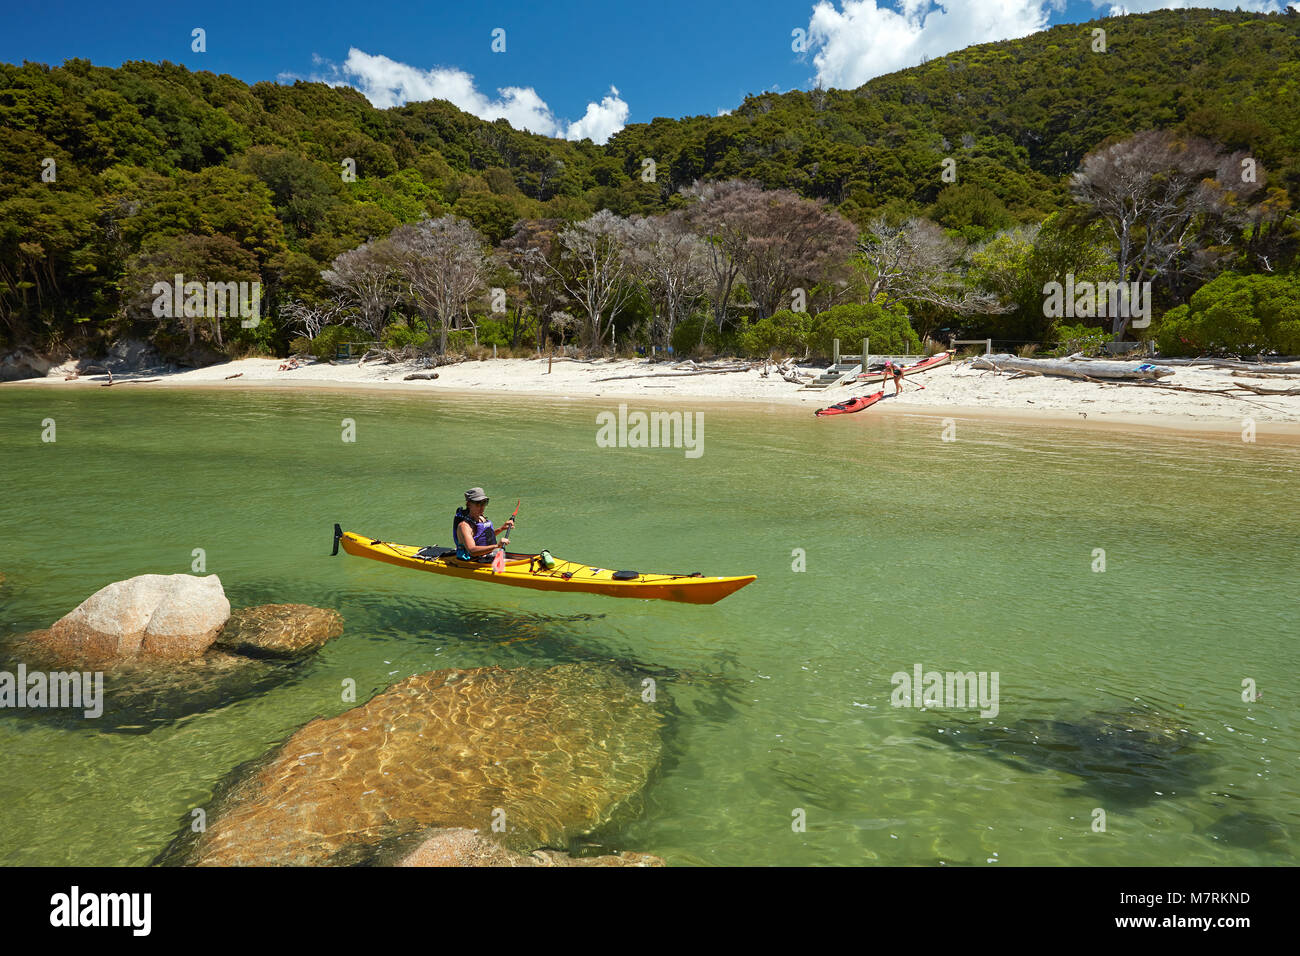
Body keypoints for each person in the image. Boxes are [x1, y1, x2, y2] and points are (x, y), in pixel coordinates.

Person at [453, 487, 514, 561]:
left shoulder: (481, 518)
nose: (482, 507)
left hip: (487, 555)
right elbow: (472, 551)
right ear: (468, 504)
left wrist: (501, 529)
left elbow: (484, 538)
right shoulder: (464, 526)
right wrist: (497, 546)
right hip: (472, 560)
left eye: (484, 503)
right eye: (478, 504)